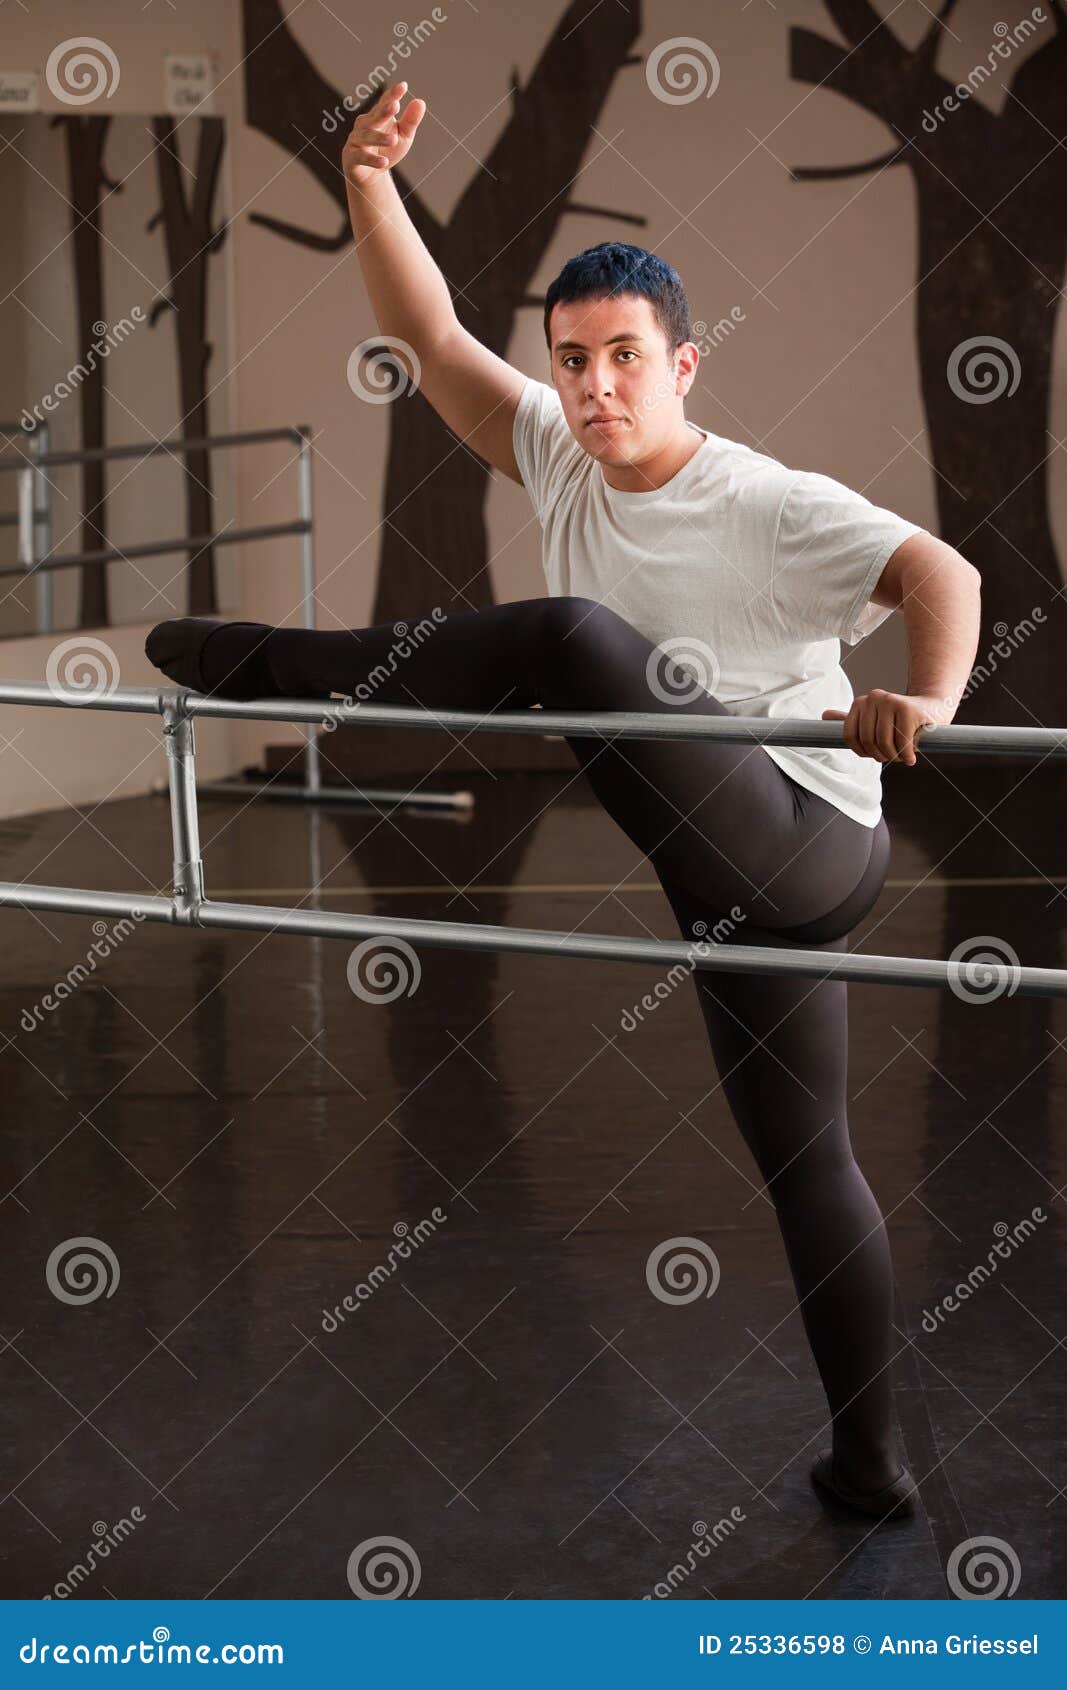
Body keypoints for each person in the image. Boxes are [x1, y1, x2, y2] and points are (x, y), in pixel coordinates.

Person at [146, 81, 982, 1521]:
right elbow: (426, 337)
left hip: (807, 841)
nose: (594, 388)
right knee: (808, 1156)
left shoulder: (767, 499)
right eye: (574, 361)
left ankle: (275, 669)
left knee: (572, 643)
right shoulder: (554, 446)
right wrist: (366, 184)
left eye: (625, 362)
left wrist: (933, 697)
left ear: (684, 366)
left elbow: (942, 574)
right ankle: (871, 1460)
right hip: (715, 862)